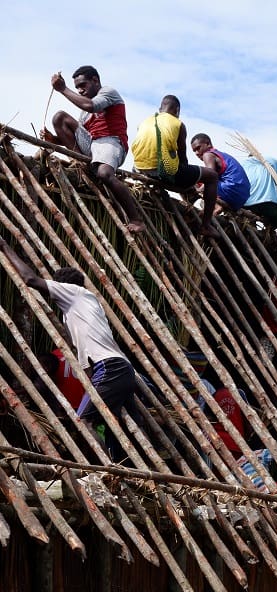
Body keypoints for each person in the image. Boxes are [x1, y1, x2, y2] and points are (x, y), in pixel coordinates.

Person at [0, 238, 137, 461]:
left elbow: (30, 279)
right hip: (122, 369)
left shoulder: (75, 293)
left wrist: (5, 247)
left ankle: (112, 473)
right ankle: (128, 471)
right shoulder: (87, 306)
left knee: (83, 422)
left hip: (110, 368)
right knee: (118, 426)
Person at [42, 66, 142, 232]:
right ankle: (82, 163)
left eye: (83, 85)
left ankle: (136, 219)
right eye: (77, 88)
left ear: (95, 80)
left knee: (105, 174)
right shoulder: (84, 112)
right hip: (92, 145)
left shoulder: (108, 93)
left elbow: (91, 106)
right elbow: (79, 135)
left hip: (111, 142)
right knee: (59, 117)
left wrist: (63, 89)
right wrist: (54, 140)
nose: (80, 90)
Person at [131, 95, 220, 236]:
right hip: (161, 170)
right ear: (177, 110)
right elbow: (183, 159)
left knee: (169, 169)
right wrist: (189, 182)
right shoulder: (178, 124)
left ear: (160, 108)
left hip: (139, 168)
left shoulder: (145, 121)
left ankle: (164, 187)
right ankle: (206, 225)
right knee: (212, 177)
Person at [190, 133, 251, 212]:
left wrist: (199, 190)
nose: (197, 153)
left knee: (194, 177)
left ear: (208, 144)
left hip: (231, 190)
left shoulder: (208, 155)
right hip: (242, 197)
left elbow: (209, 177)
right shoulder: (221, 154)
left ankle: (216, 206)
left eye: (198, 148)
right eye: (194, 151)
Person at [241, 155, 277, 228]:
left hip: (245, 204)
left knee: (247, 223)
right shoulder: (271, 160)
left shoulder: (241, 164)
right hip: (268, 202)